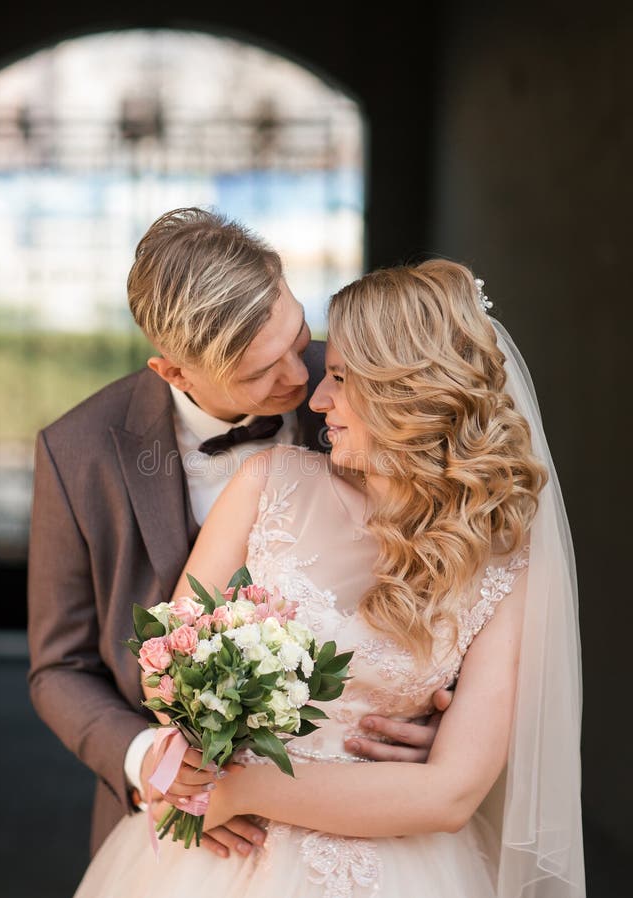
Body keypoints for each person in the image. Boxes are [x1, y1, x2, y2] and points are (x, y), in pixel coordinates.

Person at [73, 260, 585, 898]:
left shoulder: (502, 560)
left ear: (407, 392)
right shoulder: (267, 482)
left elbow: (453, 792)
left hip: (398, 864)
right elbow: (169, 664)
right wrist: (193, 773)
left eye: (339, 377)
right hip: (223, 859)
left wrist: (241, 790)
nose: (315, 396)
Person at [27, 208, 447, 860]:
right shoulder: (77, 452)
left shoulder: (367, 383)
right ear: (174, 372)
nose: (302, 379)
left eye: (299, 332)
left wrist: (447, 717)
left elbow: (458, 556)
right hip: (171, 830)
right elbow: (59, 666)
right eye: (259, 373)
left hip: (363, 810)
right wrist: (155, 764)